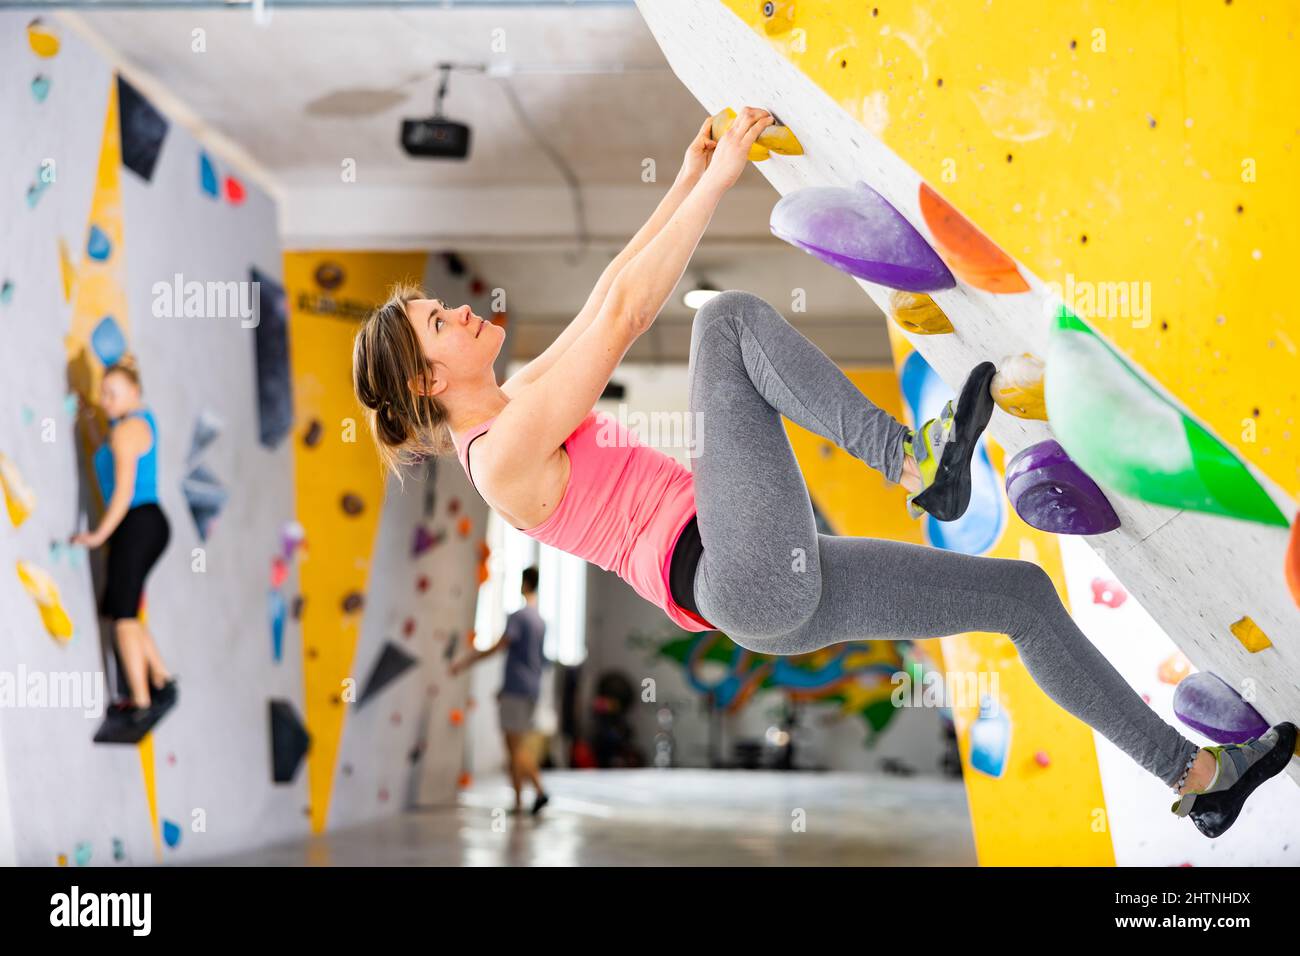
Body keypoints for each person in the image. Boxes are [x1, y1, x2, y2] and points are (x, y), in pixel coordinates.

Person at [351, 108, 1295, 839]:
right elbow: (629, 319)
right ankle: (915, 461)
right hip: (735, 571)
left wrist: (683, 182)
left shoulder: (515, 405)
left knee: (1021, 596)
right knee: (724, 323)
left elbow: (608, 292)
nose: (463, 313)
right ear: (433, 379)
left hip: (771, 582)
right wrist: (722, 177)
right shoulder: (501, 458)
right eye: (442, 322)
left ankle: (1198, 781)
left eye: (446, 307)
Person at [73, 356, 176, 721]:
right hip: (144, 524)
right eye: (103, 393)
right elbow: (104, 450)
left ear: (135, 392)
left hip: (137, 522)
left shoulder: (127, 431)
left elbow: (122, 492)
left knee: (124, 618)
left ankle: (142, 703)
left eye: (112, 393)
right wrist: (87, 418)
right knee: (125, 609)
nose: (105, 400)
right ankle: (161, 680)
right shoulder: (124, 428)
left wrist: (100, 534)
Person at [450, 567, 550, 816]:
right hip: (529, 687)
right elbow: (537, 660)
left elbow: (500, 647)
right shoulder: (539, 620)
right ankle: (520, 801)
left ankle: (537, 791)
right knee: (516, 744)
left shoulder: (518, 617)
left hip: (517, 688)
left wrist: (467, 661)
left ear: (525, 583)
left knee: (514, 747)